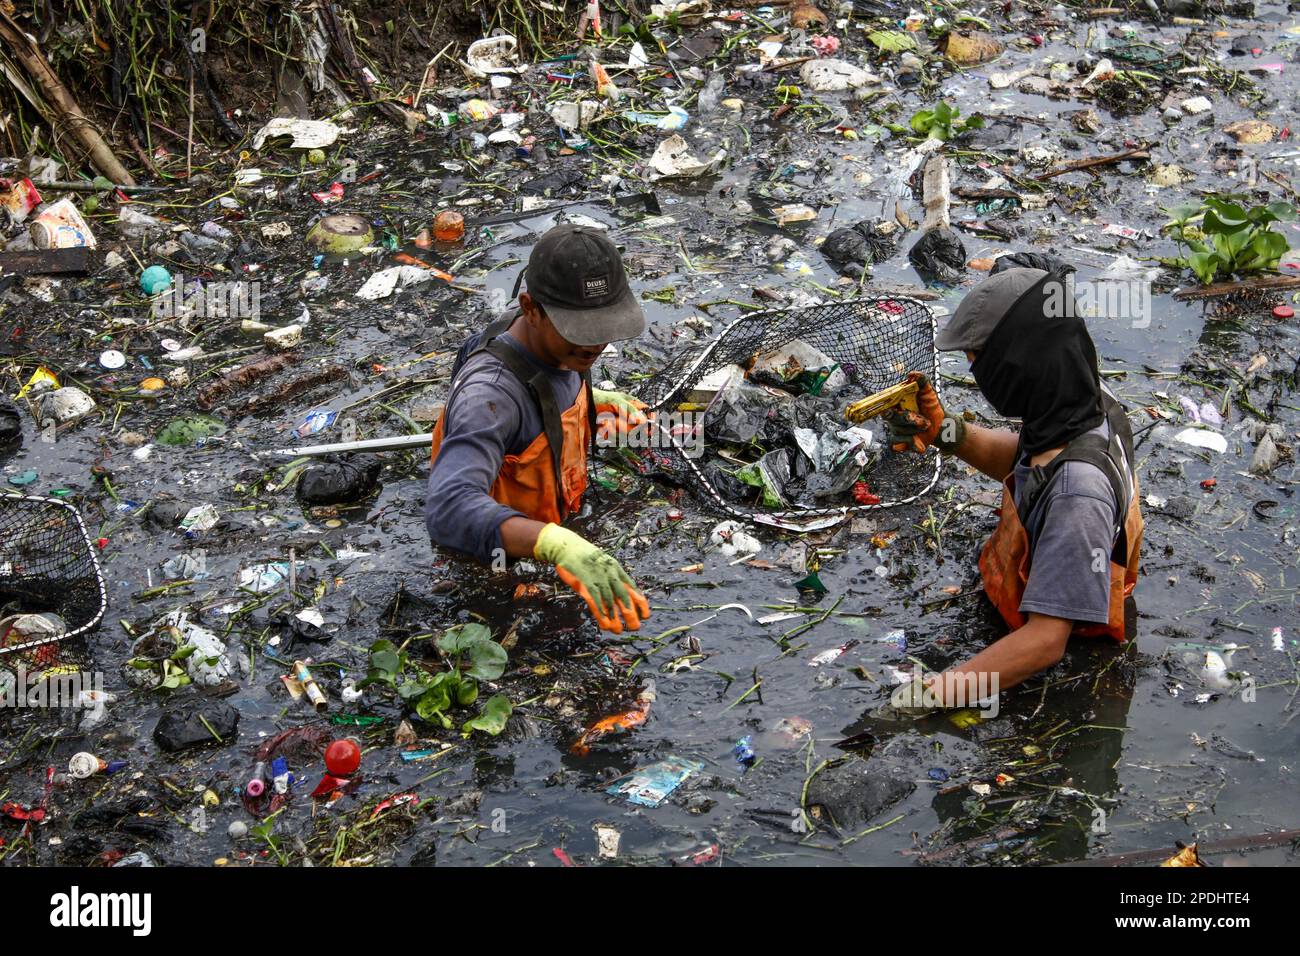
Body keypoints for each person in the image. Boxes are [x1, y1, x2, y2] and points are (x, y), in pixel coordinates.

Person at [884, 267, 1143, 710]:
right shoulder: (1083, 400)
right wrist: (946, 432)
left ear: (1020, 361)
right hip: (1055, 587)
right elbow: (1030, 466)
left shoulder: (1078, 498)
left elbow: (1045, 643)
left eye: (979, 356)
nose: (972, 367)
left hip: (1067, 659)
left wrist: (927, 696)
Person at [425, 224, 652, 634]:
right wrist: (556, 544)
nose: (595, 345)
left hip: (555, 530)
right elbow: (447, 509)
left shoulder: (547, 343)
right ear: (530, 308)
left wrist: (594, 398)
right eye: (580, 333)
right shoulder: (488, 400)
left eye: (603, 328)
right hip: (499, 567)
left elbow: (547, 377)